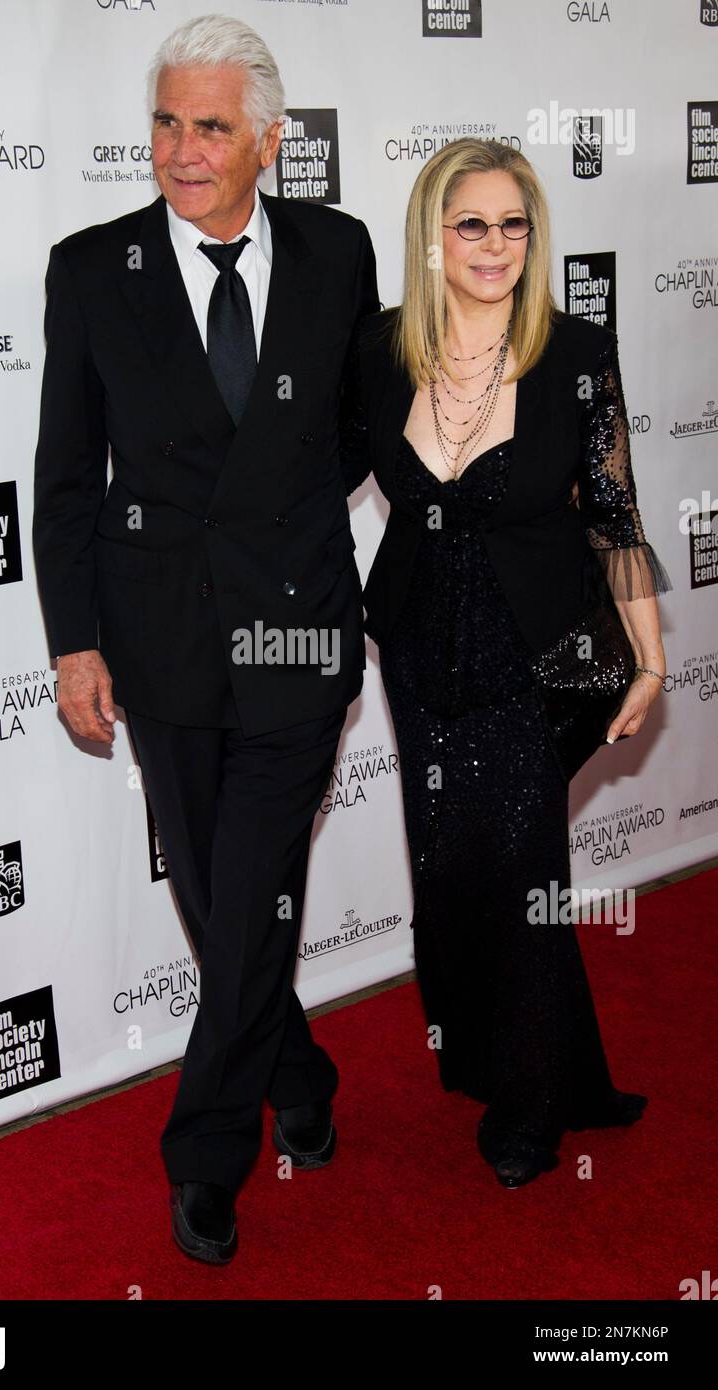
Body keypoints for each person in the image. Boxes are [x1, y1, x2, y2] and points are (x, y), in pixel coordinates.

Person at [32, 14, 378, 1262]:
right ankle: (300, 1066)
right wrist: (76, 643)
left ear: (270, 142)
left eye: (212, 126)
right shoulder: (91, 269)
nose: (183, 150)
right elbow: (65, 480)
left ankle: (205, 1153)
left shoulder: (338, 253)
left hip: (295, 640)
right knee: (223, 898)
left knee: (251, 893)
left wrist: (282, 523)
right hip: (162, 645)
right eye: (169, 123)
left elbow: (353, 431)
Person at [340, 137, 670, 1188]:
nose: (495, 245)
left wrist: (654, 665)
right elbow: (310, 483)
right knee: (453, 872)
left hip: (540, 655)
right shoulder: (383, 348)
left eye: (514, 224)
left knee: (528, 873)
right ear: (432, 237)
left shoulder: (575, 353)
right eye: (471, 223)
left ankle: (532, 1107)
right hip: (422, 654)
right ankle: (487, 1054)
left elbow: (616, 517)